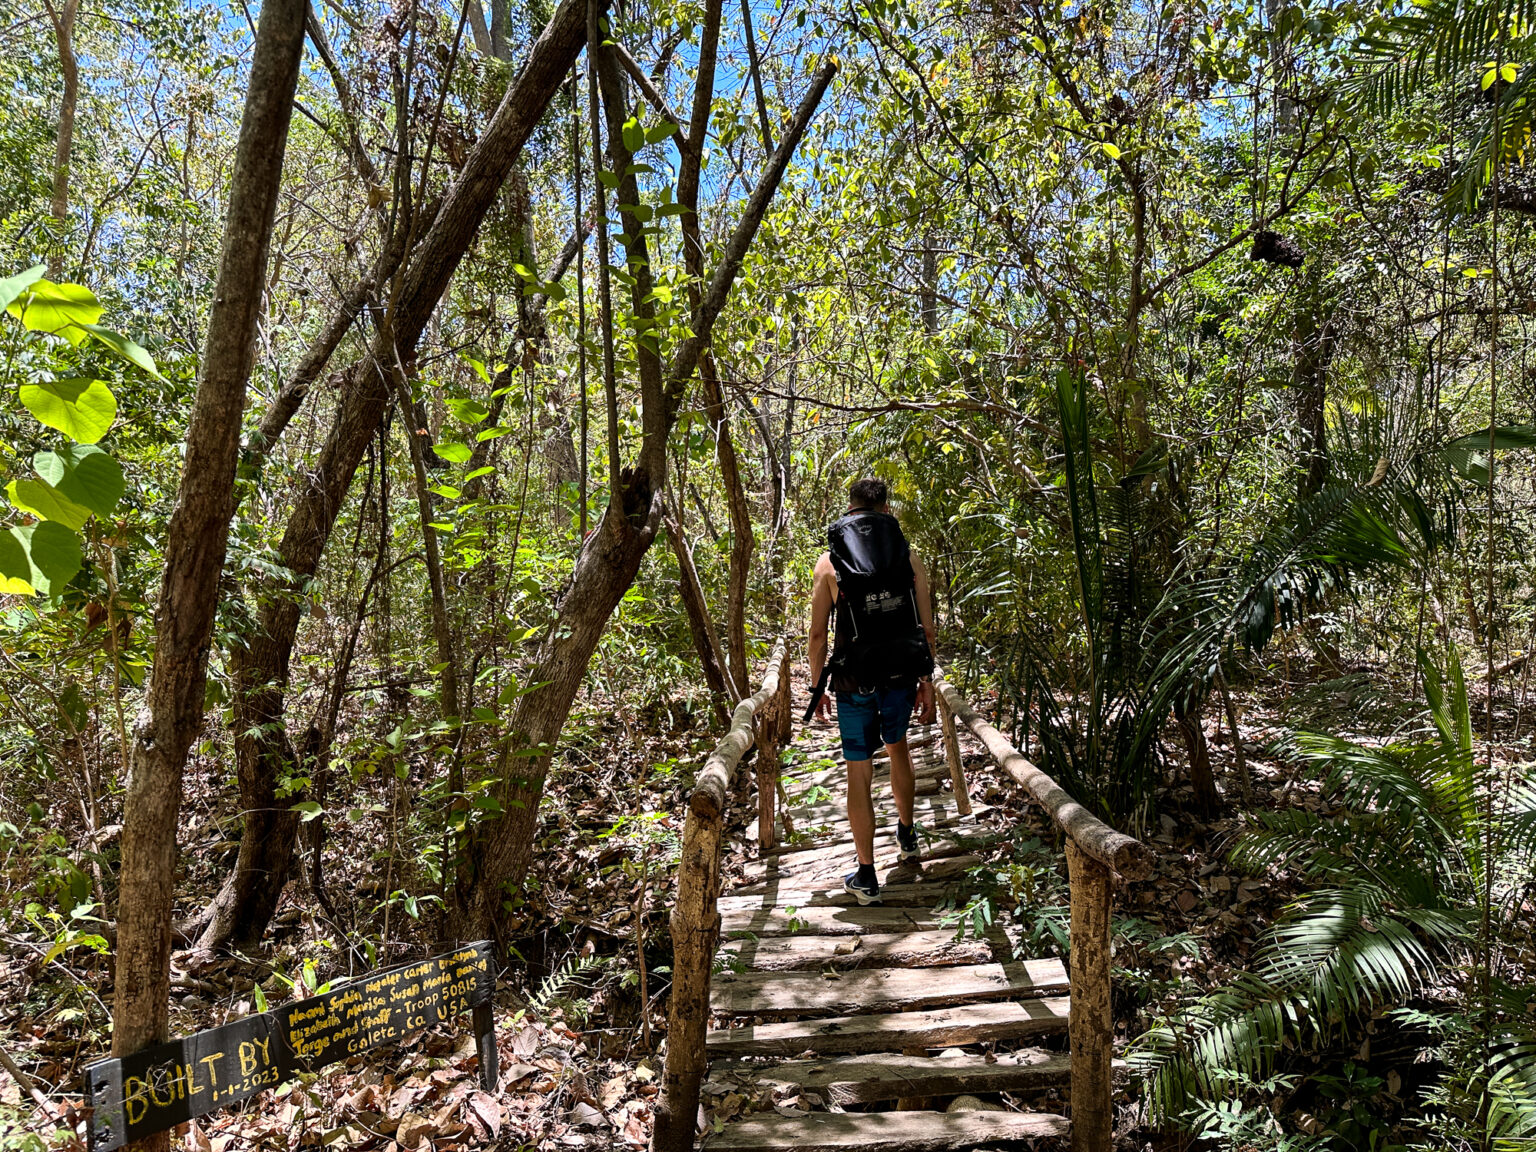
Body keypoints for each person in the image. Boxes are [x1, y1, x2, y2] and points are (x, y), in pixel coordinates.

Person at [807, 477, 937, 905]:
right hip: (901, 673)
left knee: (858, 772)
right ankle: (907, 835)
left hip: (853, 680)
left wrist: (816, 688)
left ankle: (866, 875)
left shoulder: (829, 564)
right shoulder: (908, 556)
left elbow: (817, 638)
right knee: (898, 749)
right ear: (885, 508)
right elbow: (926, 627)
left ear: (850, 509)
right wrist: (926, 682)